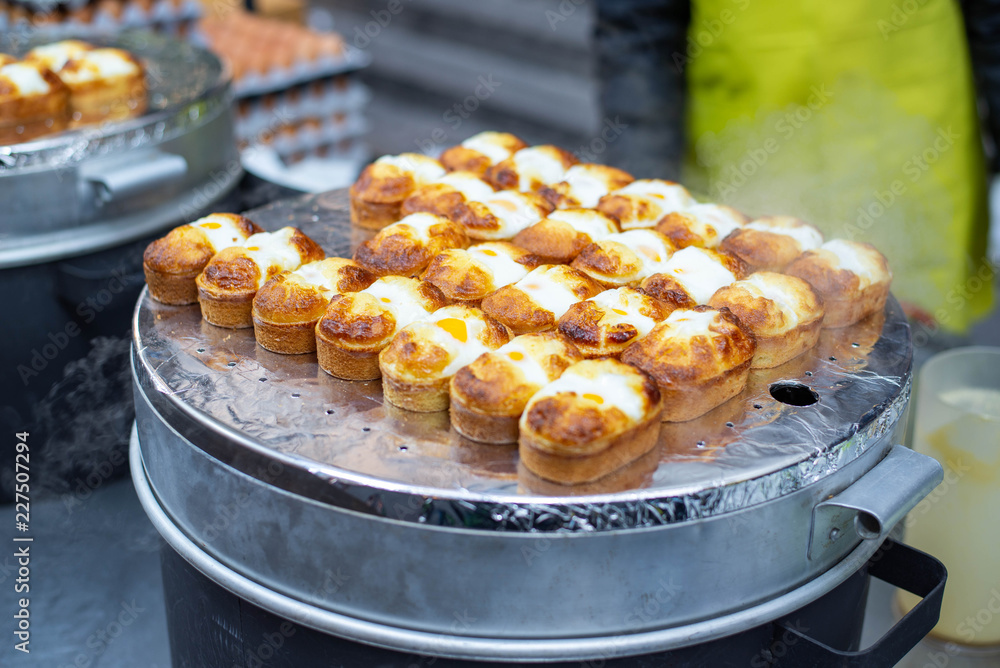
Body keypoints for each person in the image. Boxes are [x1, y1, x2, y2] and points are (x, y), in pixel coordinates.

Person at [594, 0, 995, 334]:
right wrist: (646, 193)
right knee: (731, 328)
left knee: (904, 345)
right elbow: (638, 26)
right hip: (744, 135)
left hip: (910, 134)